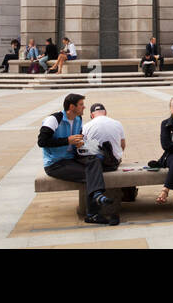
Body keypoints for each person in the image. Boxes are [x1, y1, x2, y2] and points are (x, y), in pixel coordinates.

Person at [37, 93, 119, 226]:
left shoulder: (78, 119)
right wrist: (67, 141)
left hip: (71, 159)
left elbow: (78, 138)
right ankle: (93, 212)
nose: (84, 107)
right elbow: (42, 141)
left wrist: (80, 143)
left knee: (95, 160)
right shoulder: (53, 120)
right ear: (71, 106)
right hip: (55, 164)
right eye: (81, 105)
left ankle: (97, 197)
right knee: (90, 175)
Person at [83, 101, 136, 203]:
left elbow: (84, 148)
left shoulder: (86, 126)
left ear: (91, 115)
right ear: (105, 112)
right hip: (114, 161)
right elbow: (123, 145)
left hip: (97, 163)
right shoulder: (117, 123)